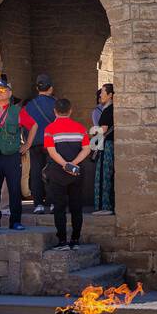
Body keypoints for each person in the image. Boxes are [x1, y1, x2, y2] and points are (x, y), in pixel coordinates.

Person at [0, 78, 33, 231]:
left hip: (12, 155)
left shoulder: (17, 111)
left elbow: (33, 125)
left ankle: (15, 221)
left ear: (9, 93)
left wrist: (27, 144)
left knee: (14, 189)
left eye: (2, 90)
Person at [43, 98, 91, 247]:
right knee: (76, 207)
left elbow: (52, 151)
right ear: (70, 111)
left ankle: (62, 240)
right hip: (76, 173)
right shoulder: (80, 128)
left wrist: (65, 164)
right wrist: (73, 164)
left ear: (55, 112)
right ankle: (75, 240)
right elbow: (87, 149)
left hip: (57, 172)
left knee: (59, 207)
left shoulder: (50, 129)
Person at [23, 74, 58, 214]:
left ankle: (38, 204)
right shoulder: (57, 103)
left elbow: (25, 125)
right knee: (53, 172)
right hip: (52, 143)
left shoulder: (29, 105)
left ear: (37, 88)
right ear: (51, 88)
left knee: (36, 173)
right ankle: (52, 202)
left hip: (35, 142)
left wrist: (27, 141)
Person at [92, 82, 115, 215]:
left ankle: (104, 206)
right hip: (110, 144)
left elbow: (103, 130)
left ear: (110, 95)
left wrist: (91, 131)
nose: (100, 94)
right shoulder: (112, 109)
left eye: (103, 92)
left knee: (103, 175)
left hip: (106, 145)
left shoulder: (107, 110)